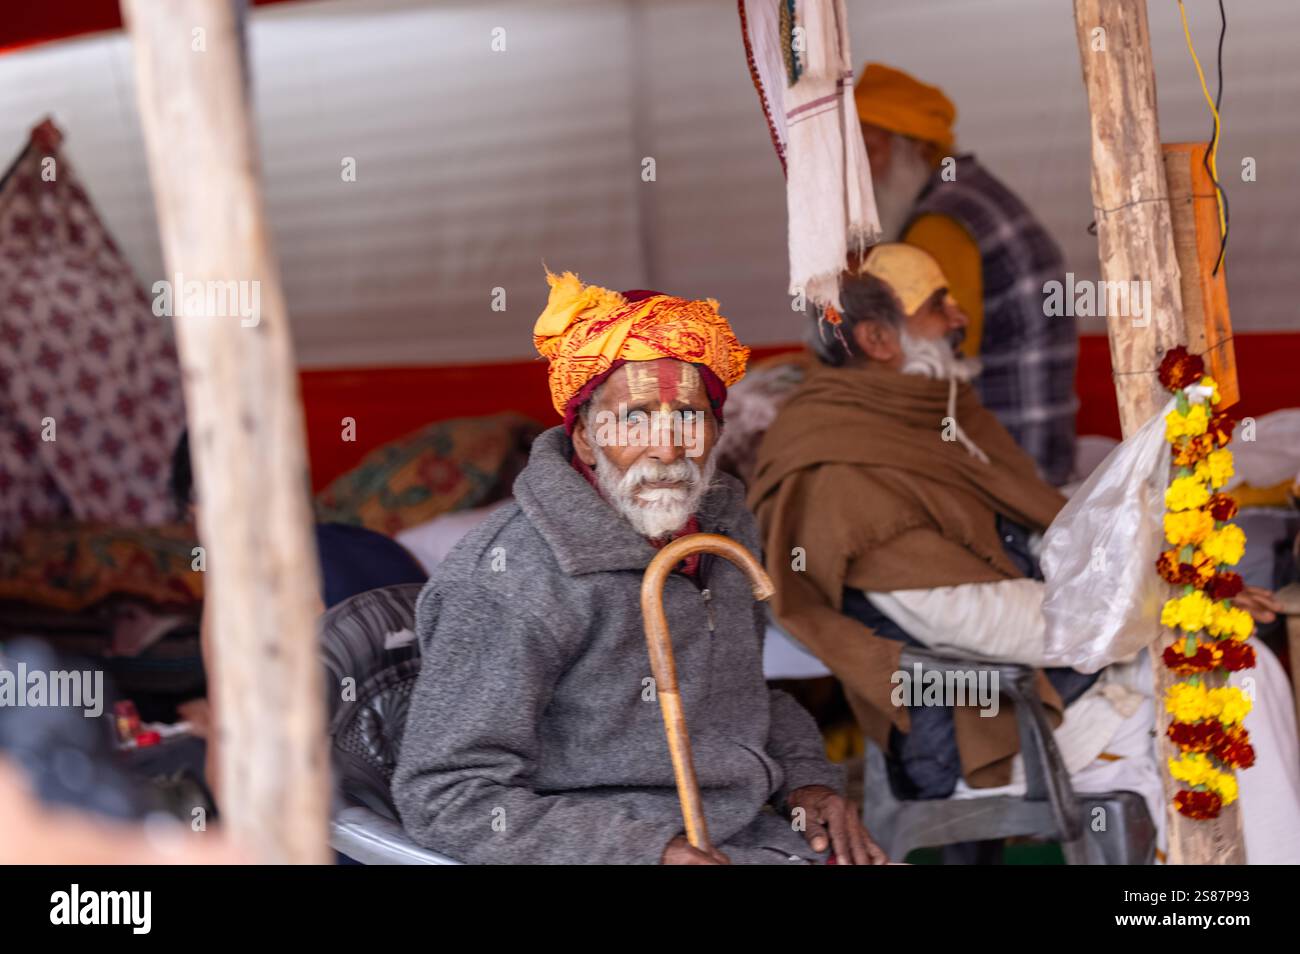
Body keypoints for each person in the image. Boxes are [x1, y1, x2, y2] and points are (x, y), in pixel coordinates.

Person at [749, 244, 1300, 862]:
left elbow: (1046, 534)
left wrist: (1188, 591)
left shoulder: (934, 416)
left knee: (1233, 660)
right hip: (990, 716)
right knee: (1234, 677)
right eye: (938, 306)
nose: (960, 318)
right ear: (879, 338)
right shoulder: (840, 462)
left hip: (1063, 670)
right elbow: (976, 618)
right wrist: (1163, 610)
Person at [392, 271, 885, 865]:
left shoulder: (721, 529)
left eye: (689, 417)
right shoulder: (508, 578)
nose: (668, 447)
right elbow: (445, 797)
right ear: (582, 436)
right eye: (636, 417)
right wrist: (645, 850)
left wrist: (809, 783)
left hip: (744, 835)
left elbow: (744, 698)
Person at [169, 430, 427, 803]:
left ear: (199, 501)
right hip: (428, 830)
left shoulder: (241, 577)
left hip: (333, 836)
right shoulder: (384, 548)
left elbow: (234, 782)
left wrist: (213, 729)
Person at [855, 62, 1077, 485]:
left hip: (1012, 472)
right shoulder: (971, 193)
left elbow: (931, 368)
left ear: (915, 149)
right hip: (1035, 451)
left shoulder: (940, 224)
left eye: (871, 152)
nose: (862, 174)